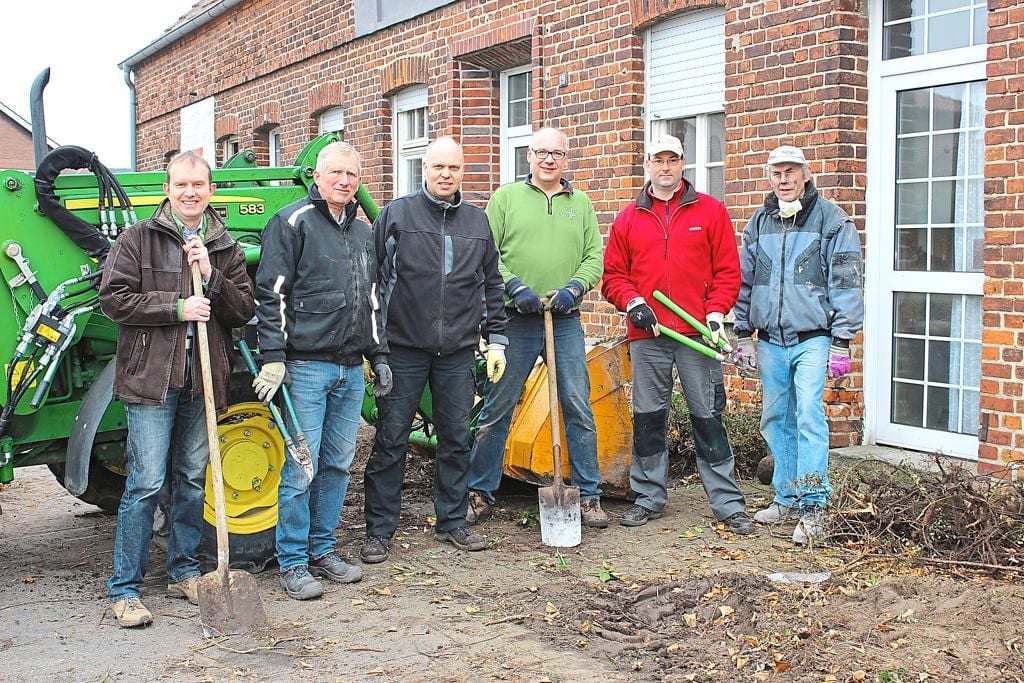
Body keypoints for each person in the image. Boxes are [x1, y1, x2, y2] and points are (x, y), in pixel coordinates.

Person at [100, 151, 255, 627]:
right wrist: (176, 307)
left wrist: (211, 277)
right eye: (181, 185)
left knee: (191, 478)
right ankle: (125, 588)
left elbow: (244, 310)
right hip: (151, 381)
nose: (190, 193)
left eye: (198, 185)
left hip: (202, 380)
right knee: (146, 482)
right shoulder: (137, 239)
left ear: (211, 190)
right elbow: (114, 300)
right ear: (167, 189)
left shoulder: (224, 246)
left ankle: (183, 571)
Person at [360, 136, 508, 564]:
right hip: (403, 349)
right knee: (391, 439)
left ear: (463, 172)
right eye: (438, 166)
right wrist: (375, 348)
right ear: (424, 169)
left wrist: (496, 340)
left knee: (456, 438)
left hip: (458, 351)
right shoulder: (396, 216)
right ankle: (379, 530)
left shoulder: (477, 222)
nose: (446, 174)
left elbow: (491, 284)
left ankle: (452, 519)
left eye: (454, 168)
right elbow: (372, 283)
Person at [254, 141, 390, 600]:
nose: (344, 181)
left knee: (336, 465)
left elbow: (373, 299)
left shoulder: (363, 233)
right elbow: (270, 294)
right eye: (336, 173)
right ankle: (292, 562)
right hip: (306, 367)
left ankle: (322, 549)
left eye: (352, 175)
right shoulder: (292, 222)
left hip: (349, 369)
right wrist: (274, 356)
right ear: (317, 176)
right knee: (301, 467)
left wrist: (379, 355)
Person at [602, 134, 754, 535]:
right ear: (648, 165)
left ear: (682, 164)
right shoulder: (628, 218)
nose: (665, 167)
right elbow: (613, 276)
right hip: (647, 335)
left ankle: (727, 502)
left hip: (698, 334)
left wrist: (716, 312)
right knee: (648, 418)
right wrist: (633, 302)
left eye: (672, 160)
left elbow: (728, 271)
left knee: (708, 417)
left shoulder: (711, 211)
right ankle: (648, 497)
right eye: (658, 160)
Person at [465, 126, 608, 530]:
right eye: (541, 152)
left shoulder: (580, 203)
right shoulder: (506, 198)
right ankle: (480, 491)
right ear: (528, 156)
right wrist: (513, 286)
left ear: (566, 159)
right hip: (516, 320)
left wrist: (574, 288)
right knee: (498, 407)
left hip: (564, 320)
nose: (549, 159)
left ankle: (589, 494)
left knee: (578, 405)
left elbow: (594, 257)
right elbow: (486, 253)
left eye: (557, 153)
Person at [732, 144, 864, 544]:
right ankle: (786, 497)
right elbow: (745, 281)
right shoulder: (760, 222)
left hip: (814, 338)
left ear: (806, 175)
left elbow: (847, 283)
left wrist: (842, 340)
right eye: (777, 173)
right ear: (770, 178)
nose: (784, 180)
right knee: (775, 419)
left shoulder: (832, 221)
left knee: (808, 416)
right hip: (771, 340)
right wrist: (743, 334)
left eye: (791, 171)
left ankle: (814, 506)